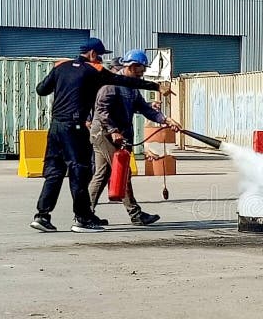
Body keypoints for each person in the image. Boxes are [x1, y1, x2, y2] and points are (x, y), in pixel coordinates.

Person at [30, 38, 166, 233]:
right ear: (93, 54)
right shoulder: (94, 70)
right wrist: (155, 87)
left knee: (54, 172)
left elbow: (41, 90)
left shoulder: (61, 66)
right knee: (80, 172)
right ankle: (83, 219)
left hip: (55, 128)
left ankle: (42, 216)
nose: (101, 60)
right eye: (100, 56)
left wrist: (64, 81)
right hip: (75, 128)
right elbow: (122, 80)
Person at [88, 49, 182, 226]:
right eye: (141, 70)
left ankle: (84, 212)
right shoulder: (111, 84)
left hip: (116, 133)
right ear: (131, 67)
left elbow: (144, 108)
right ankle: (135, 214)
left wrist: (165, 119)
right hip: (104, 134)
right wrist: (113, 130)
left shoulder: (132, 87)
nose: (143, 74)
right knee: (123, 172)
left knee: (102, 174)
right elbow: (101, 110)